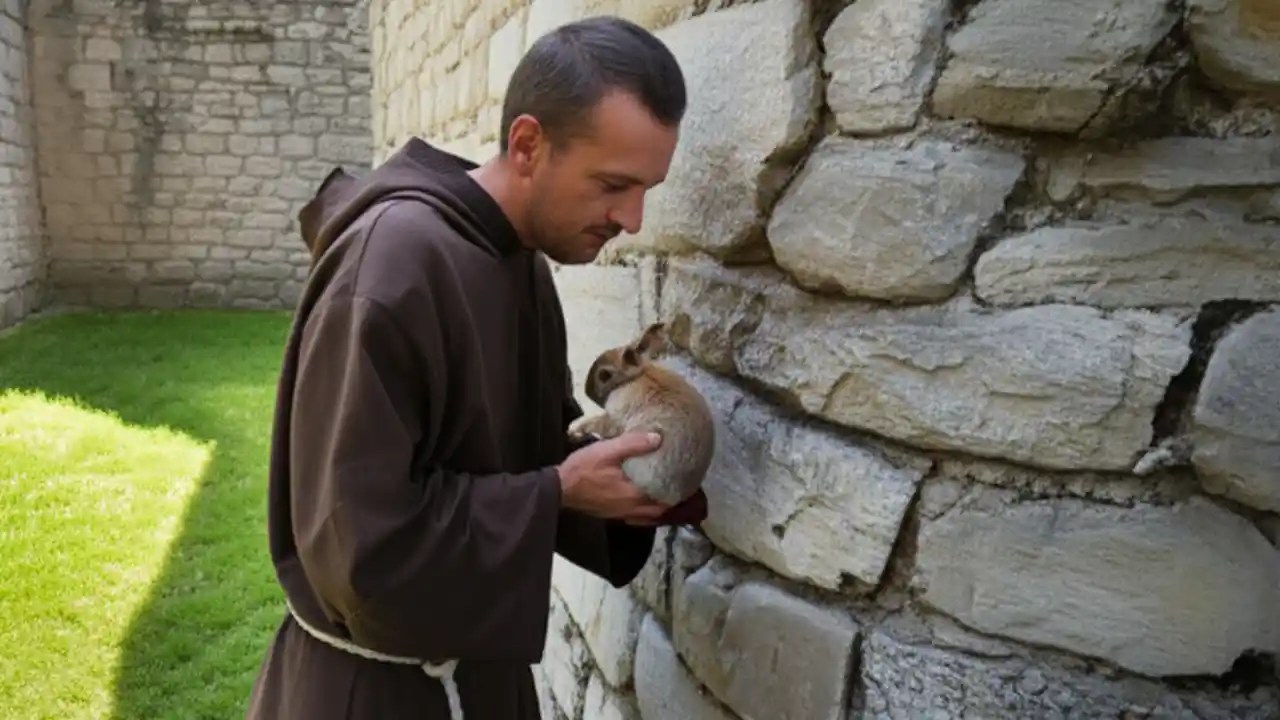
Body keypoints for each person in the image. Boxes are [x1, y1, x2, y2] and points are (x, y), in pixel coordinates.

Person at [244, 15, 707, 720]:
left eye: (647, 188)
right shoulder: (393, 265)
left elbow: (526, 457)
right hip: (377, 696)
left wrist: (633, 479)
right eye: (614, 184)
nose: (634, 219)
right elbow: (356, 549)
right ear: (527, 144)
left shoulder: (520, 262)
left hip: (480, 682)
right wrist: (555, 494)